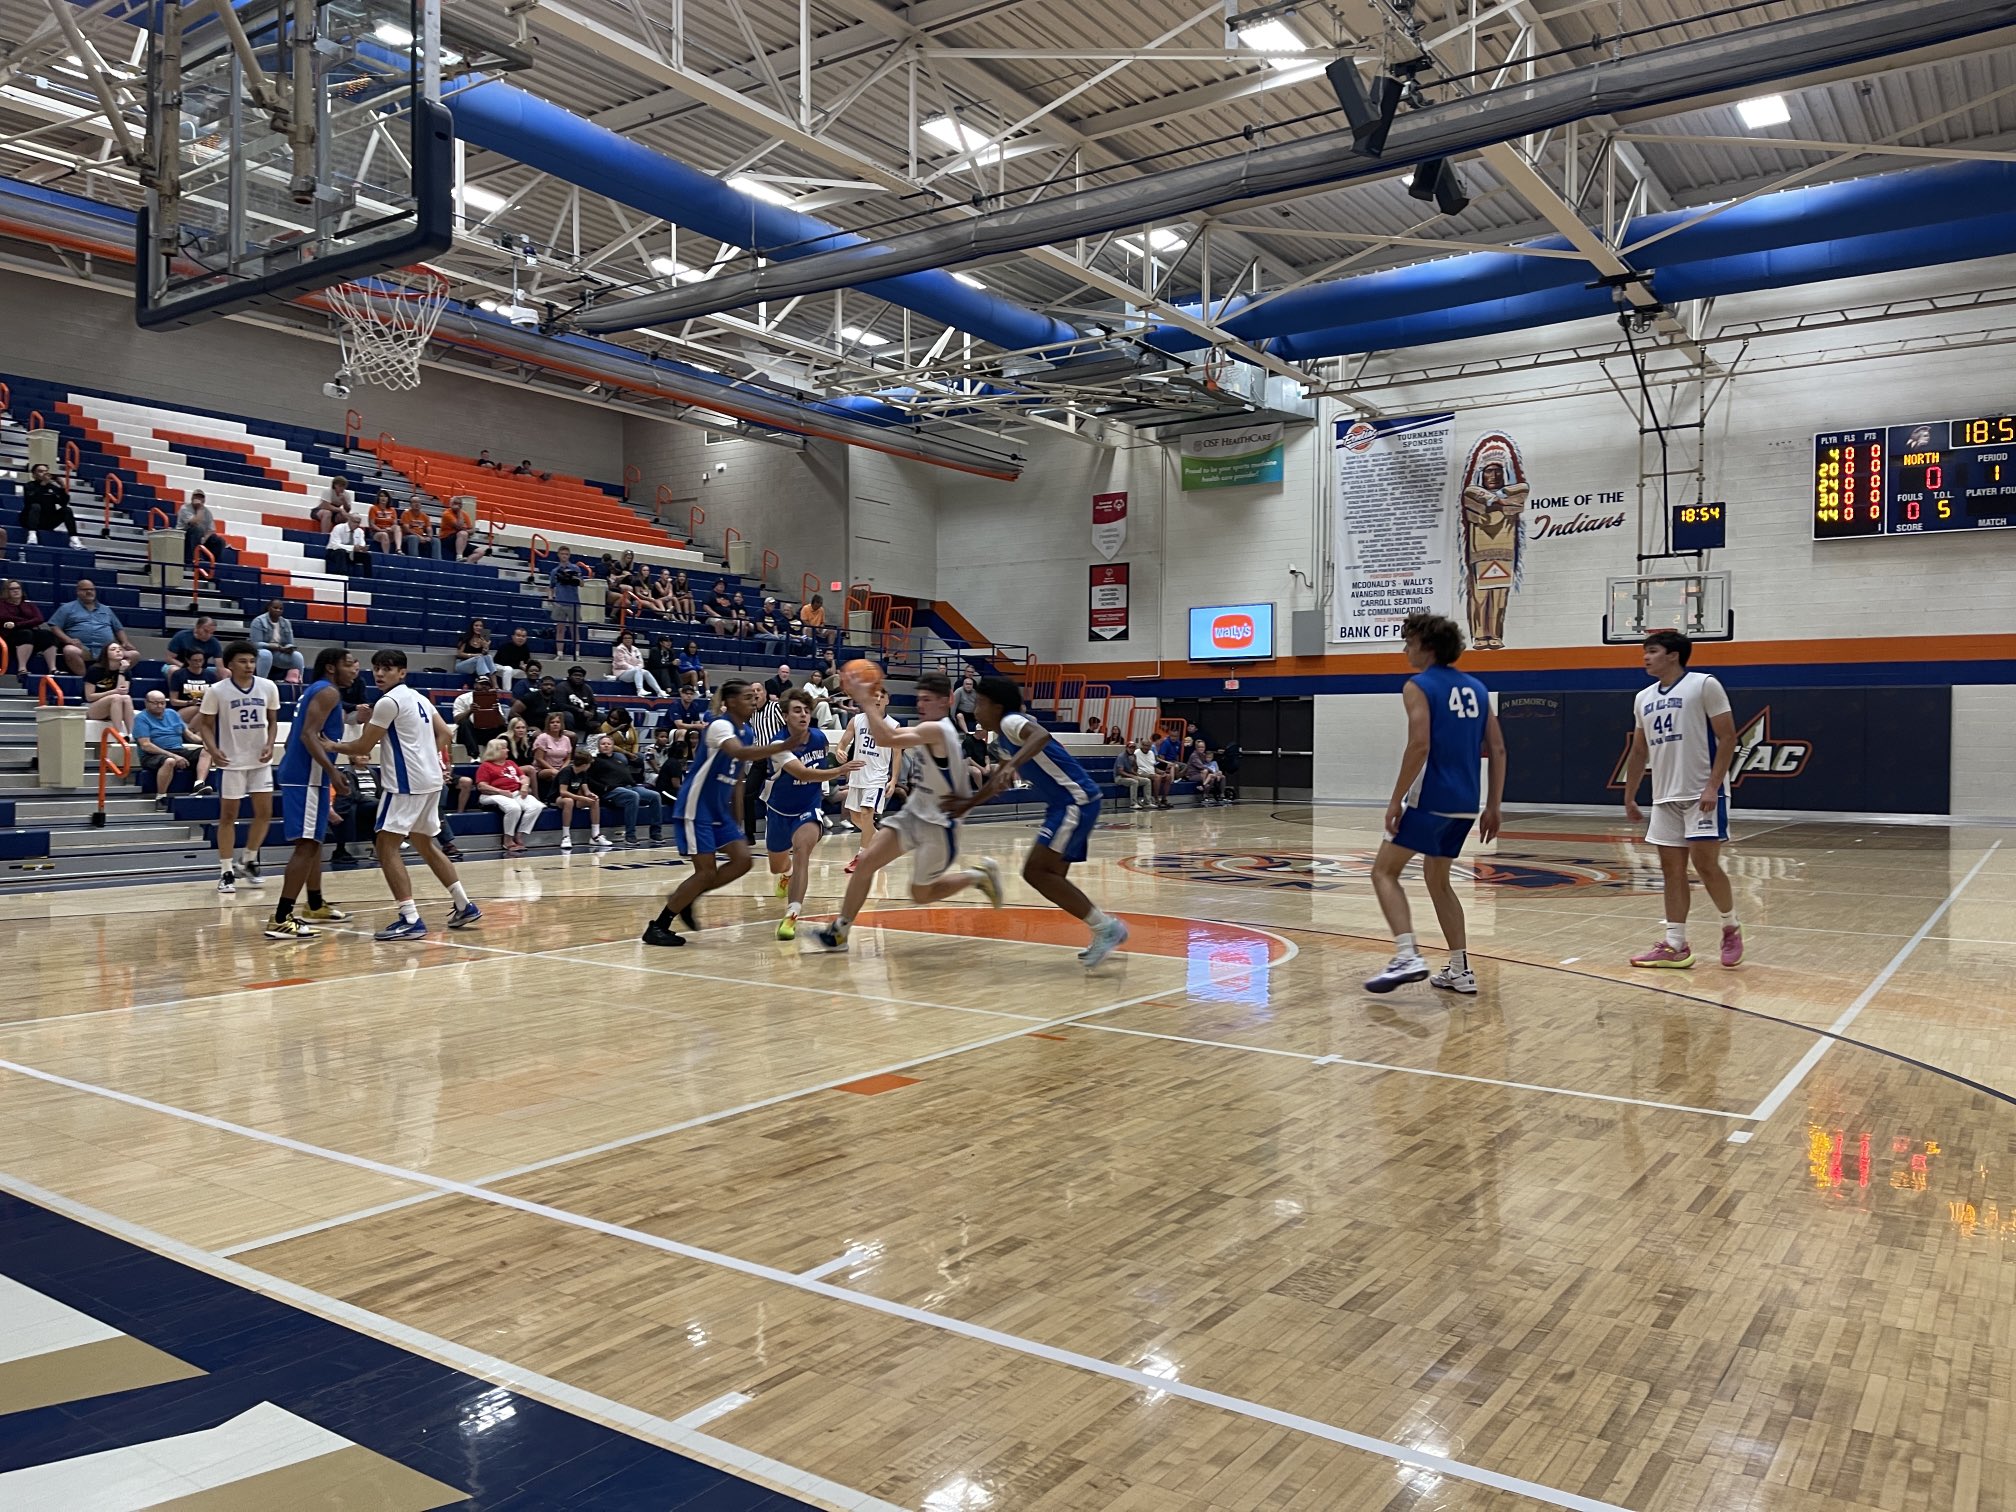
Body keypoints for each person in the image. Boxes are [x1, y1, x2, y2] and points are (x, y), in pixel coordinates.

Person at [1363, 613, 1506, 995]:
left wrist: (1395, 800)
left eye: (1408, 642)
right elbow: (1498, 748)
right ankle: (1460, 969)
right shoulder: (1477, 688)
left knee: (1383, 872)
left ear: (1426, 646)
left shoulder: (1418, 685)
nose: (1404, 649)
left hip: (1431, 797)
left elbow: (1420, 744)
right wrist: (1493, 805)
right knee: (1438, 881)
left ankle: (1406, 956)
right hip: (1466, 802)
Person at [817, 674, 1003, 951]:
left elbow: (887, 737)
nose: (921, 704)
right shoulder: (928, 728)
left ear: (947, 701)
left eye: (928, 699)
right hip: (914, 813)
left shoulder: (940, 730)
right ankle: (840, 931)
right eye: (919, 699)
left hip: (939, 825)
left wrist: (865, 700)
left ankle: (978, 876)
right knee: (866, 862)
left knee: (920, 894)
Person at [962, 677, 1127, 966]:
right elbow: (997, 783)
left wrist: (1012, 766)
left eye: (980, 704)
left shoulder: (1012, 722)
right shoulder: (1002, 740)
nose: (975, 711)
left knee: (1036, 873)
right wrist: (965, 805)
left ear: (997, 707)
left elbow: (1040, 735)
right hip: (1068, 803)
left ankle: (1106, 928)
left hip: (1074, 801)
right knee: (1050, 877)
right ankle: (1105, 928)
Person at [333, 649, 480, 939]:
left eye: (387, 669)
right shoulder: (420, 697)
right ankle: (464, 904)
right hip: (430, 780)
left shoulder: (388, 702)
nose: (379, 673)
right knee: (425, 843)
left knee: (385, 846)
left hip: (406, 784)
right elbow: (446, 734)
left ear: (402, 672)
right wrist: (426, 756)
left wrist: (330, 745)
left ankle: (410, 917)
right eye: (377, 668)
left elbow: (363, 747)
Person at [1621, 630, 1743, 969]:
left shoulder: (1704, 685)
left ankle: (1730, 926)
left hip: (1701, 793)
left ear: (1673, 655)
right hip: (1665, 796)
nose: (1646, 657)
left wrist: (1712, 786)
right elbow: (1639, 750)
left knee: (1705, 866)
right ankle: (1676, 944)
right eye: (1645, 652)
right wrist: (1630, 795)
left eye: (1652, 651)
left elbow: (1728, 737)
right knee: (1671, 870)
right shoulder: (1643, 697)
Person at [645, 680, 794, 947]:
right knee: (705, 873)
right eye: (747, 697)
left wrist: (737, 822)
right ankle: (659, 926)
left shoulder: (747, 732)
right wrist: (782, 745)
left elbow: (737, 780)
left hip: (718, 810)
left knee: (743, 860)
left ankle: (686, 897)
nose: (753, 701)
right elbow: (738, 752)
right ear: (731, 702)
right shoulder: (719, 726)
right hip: (697, 806)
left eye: (755, 696)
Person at [265, 647, 359, 939]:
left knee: (314, 842)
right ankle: (281, 917)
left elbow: (295, 738)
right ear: (331, 667)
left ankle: (315, 904)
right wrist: (333, 773)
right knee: (306, 845)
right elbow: (307, 735)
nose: (355, 668)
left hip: (307, 775)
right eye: (349, 663)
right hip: (305, 777)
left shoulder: (318, 690)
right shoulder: (327, 692)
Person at [764, 689, 861, 940]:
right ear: (785, 715)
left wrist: (832, 774)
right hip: (779, 810)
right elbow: (803, 773)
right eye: (797, 710)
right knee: (777, 866)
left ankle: (792, 915)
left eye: (807, 711)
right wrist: (840, 770)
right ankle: (786, 875)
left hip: (808, 806)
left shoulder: (819, 738)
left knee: (802, 851)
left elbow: (817, 770)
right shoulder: (778, 744)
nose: (803, 715)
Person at [194, 640, 281, 895]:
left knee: (265, 813)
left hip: (260, 761)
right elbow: (205, 725)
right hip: (231, 762)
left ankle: (249, 860)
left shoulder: (268, 687)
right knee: (228, 817)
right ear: (230, 664)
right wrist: (212, 749)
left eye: (252, 661)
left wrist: (270, 743)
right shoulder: (217, 691)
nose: (249, 665)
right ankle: (226, 871)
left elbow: (273, 721)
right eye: (243, 661)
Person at [835, 692, 895, 874]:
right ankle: (882, 843)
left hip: (877, 777)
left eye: (881, 696)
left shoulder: (893, 725)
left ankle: (862, 857)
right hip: (858, 775)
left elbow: (898, 754)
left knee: (867, 813)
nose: (877, 699)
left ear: (887, 700)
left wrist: (893, 780)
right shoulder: (857, 720)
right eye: (874, 696)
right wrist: (839, 750)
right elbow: (843, 742)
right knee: (855, 817)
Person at [585, 733, 664, 846]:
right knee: (633, 796)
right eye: (603, 744)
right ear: (599, 746)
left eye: (608, 744)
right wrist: (604, 788)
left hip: (630, 787)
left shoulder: (619, 760)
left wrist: (634, 784)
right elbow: (588, 779)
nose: (606, 746)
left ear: (613, 746)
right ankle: (630, 835)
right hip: (612, 791)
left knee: (655, 796)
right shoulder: (594, 761)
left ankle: (655, 833)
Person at [132, 689, 209, 803]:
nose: (159, 706)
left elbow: (190, 736)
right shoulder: (141, 718)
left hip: (178, 750)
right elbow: (146, 745)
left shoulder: (172, 713)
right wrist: (173, 756)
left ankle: (199, 784)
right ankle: (161, 796)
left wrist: (208, 743)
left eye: (162, 703)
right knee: (169, 761)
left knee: (207, 751)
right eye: (155, 703)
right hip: (152, 755)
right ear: (146, 703)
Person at [48, 579, 138, 675]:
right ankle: (85, 678)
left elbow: (118, 629)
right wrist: (68, 640)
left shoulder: (106, 610)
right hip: (82, 648)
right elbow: (54, 626)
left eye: (92, 589)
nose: (89, 592)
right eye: (85, 589)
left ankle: (111, 677)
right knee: (69, 650)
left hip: (106, 649)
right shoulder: (67, 608)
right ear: (78, 591)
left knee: (134, 655)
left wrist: (124, 642)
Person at [475, 737, 544, 855]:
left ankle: (520, 834)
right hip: (492, 794)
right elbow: (482, 786)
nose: (507, 750)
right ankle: (507, 839)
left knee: (536, 806)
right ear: (496, 751)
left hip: (514, 792)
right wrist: (500, 791)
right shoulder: (485, 766)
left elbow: (523, 777)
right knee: (514, 808)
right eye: (504, 748)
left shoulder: (511, 763)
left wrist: (525, 786)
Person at [0, 580, 61, 678]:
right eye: (12, 589)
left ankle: (53, 669)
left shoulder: (29, 605)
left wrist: (17, 624)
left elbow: (39, 619)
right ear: (6, 591)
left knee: (48, 635)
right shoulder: (2, 605)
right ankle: (22, 669)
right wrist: (28, 622)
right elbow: (4, 617)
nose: (16, 591)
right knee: (26, 633)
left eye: (18, 588)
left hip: (26, 632)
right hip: (9, 636)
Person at [554, 749, 611, 850]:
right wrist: (581, 798)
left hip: (574, 798)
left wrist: (590, 795)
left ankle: (595, 836)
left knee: (594, 801)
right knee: (568, 801)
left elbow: (586, 790)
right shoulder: (567, 771)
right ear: (585, 765)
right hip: (557, 799)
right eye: (589, 764)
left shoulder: (583, 773)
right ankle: (566, 836)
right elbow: (563, 792)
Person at [81, 644, 135, 737]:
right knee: (116, 697)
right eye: (113, 649)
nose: (118, 651)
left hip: (115, 706)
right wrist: (113, 692)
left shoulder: (125, 670)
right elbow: (89, 697)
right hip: (92, 707)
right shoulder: (95, 670)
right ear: (106, 654)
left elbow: (123, 691)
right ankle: (118, 734)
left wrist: (121, 671)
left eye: (120, 649)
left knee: (126, 698)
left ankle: (132, 734)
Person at [19, 462, 78, 547]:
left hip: (47, 520)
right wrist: (42, 485)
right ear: (34, 475)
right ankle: (32, 535)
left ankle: (74, 538)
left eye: (46, 471)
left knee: (67, 510)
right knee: (36, 506)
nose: (44, 474)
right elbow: (30, 500)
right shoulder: (29, 485)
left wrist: (62, 487)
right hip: (29, 520)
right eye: (40, 471)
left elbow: (63, 503)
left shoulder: (52, 487)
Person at [248, 598, 303, 681]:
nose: (278, 610)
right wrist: (273, 646)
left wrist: (289, 648)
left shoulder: (286, 622)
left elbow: (290, 642)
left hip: (279, 653)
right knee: (266, 654)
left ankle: (298, 681)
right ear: (269, 608)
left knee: (297, 655)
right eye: (275, 608)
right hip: (261, 652)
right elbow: (255, 644)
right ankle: (261, 682)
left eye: (280, 609)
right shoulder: (258, 621)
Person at [547, 546, 584, 659]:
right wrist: (550, 597)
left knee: (574, 629)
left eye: (566, 554)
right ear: (558, 555)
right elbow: (551, 587)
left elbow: (582, 584)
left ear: (569, 555)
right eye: (562, 554)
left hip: (574, 602)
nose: (564, 556)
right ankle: (559, 654)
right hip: (560, 602)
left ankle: (577, 654)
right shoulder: (555, 571)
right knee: (560, 629)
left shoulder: (575, 568)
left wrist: (575, 579)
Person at [532, 711, 574, 801]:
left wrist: (563, 769)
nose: (555, 724)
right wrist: (555, 770)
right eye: (552, 722)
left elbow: (568, 758)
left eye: (558, 722)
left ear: (561, 724)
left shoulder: (566, 739)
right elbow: (539, 759)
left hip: (561, 768)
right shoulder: (543, 737)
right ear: (548, 724)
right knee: (554, 773)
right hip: (543, 769)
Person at [611, 630, 667, 697]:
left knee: (646, 672)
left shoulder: (635, 649)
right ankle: (639, 690)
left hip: (635, 671)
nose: (628, 640)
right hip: (621, 673)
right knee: (637, 670)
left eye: (630, 638)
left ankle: (659, 691)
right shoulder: (619, 649)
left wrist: (637, 668)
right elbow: (620, 663)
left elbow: (641, 662)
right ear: (622, 640)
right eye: (625, 638)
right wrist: (633, 668)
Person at [178, 490, 226, 566]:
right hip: (183, 536)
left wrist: (205, 538)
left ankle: (213, 565)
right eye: (196, 497)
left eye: (200, 497)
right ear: (192, 498)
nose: (198, 499)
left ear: (204, 500)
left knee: (219, 540)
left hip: (200, 537)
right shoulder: (185, 508)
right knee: (197, 529)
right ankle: (193, 560)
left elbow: (211, 530)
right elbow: (194, 522)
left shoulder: (207, 512)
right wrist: (200, 509)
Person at [325, 510, 372, 576]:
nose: (356, 524)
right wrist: (352, 548)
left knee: (367, 556)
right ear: (349, 520)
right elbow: (335, 545)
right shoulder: (338, 528)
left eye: (358, 523)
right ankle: (342, 575)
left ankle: (368, 577)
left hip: (351, 553)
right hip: (334, 552)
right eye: (354, 522)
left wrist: (362, 548)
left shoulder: (360, 531)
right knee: (341, 552)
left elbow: (362, 543)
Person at [166, 651, 210, 717]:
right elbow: (173, 701)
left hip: (205, 707)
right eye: (195, 660)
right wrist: (189, 702)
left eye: (200, 660)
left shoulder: (210, 675)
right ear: (188, 660)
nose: (198, 663)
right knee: (199, 710)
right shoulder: (178, 675)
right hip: (184, 708)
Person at [559, 665, 600, 734]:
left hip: (585, 715)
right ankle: (570, 736)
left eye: (580, 676)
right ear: (570, 676)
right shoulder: (562, 687)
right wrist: (580, 710)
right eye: (575, 675)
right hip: (570, 714)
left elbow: (593, 704)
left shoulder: (587, 688)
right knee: (568, 716)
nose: (578, 677)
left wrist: (592, 712)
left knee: (603, 717)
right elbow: (561, 705)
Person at [491, 625, 531, 693]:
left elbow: (526, 661)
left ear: (526, 638)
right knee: (508, 669)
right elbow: (506, 662)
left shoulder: (525, 648)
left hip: (514, 668)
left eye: (523, 636)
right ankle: (506, 692)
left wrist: (526, 667)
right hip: (497, 667)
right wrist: (520, 666)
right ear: (513, 637)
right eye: (518, 635)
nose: (521, 638)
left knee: (529, 672)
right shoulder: (506, 646)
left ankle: (525, 692)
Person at [1184, 739, 1226, 805]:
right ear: (1196, 748)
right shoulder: (1194, 756)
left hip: (1203, 773)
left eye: (1203, 747)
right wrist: (1213, 772)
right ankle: (1205, 795)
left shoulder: (1204, 755)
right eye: (1199, 747)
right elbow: (1201, 766)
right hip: (1193, 775)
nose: (1201, 749)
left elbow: (1209, 764)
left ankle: (1222, 795)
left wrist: (1217, 772)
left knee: (1222, 776)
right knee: (1210, 776)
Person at [1119, 737, 1156, 809]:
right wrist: (1132, 776)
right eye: (1130, 747)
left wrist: (1137, 775)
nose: (1131, 749)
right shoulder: (1121, 757)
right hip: (1120, 777)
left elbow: (1132, 769)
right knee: (1134, 781)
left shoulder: (1133, 757)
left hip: (1130, 775)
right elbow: (1120, 771)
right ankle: (1133, 803)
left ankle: (1147, 802)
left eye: (1133, 748)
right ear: (1126, 748)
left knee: (1147, 781)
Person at [366, 491, 401, 555]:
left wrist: (389, 529)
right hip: (377, 532)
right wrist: (381, 530)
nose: (383, 498)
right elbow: (372, 524)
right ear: (378, 498)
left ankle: (398, 549)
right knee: (384, 534)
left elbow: (395, 523)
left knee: (397, 527)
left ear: (388, 499)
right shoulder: (373, 508)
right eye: (381, 496)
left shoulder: (392, 510)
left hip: (389, 531)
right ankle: (386, 555)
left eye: (385, 496)